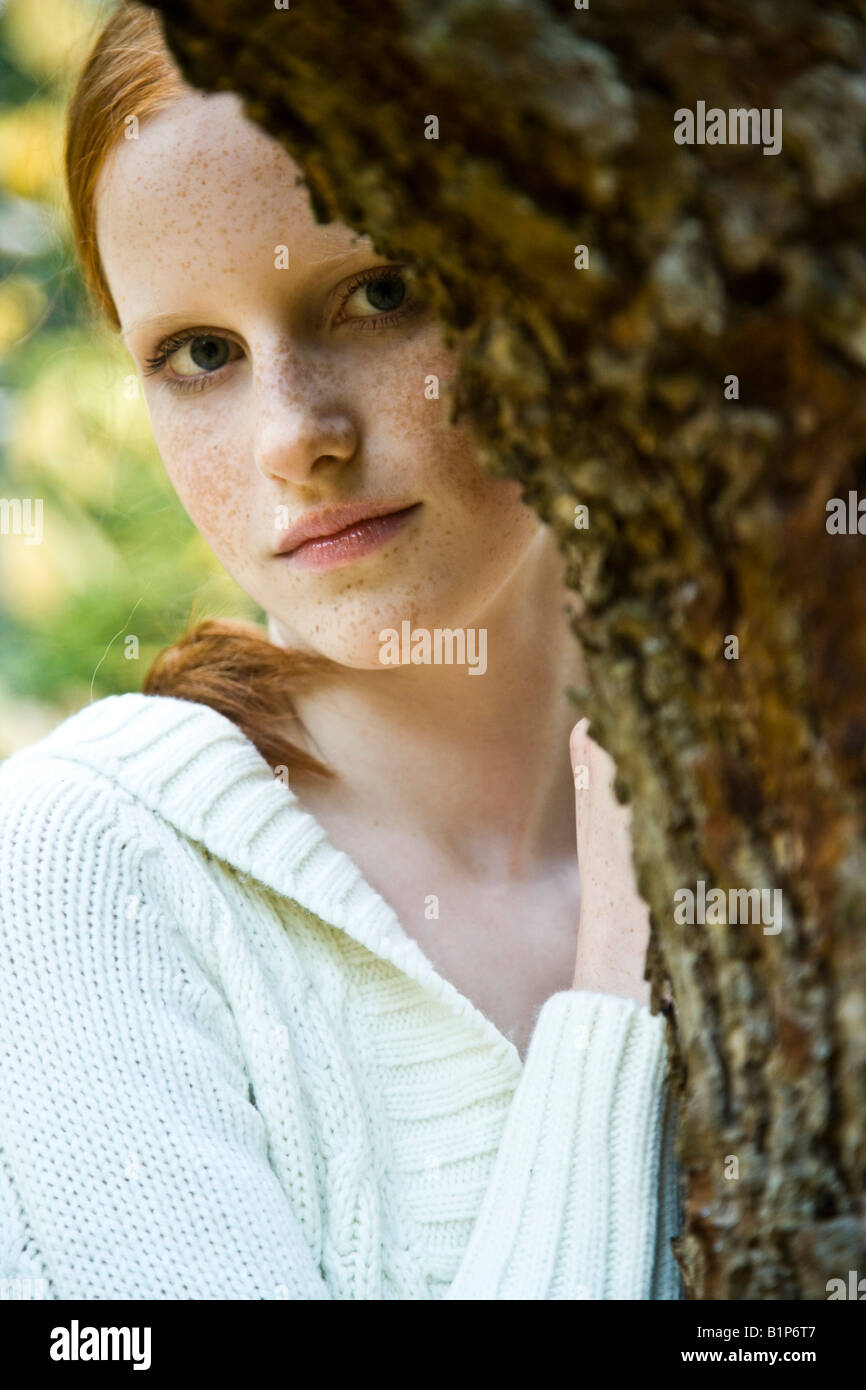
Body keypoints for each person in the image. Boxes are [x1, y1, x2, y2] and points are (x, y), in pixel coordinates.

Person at [0, 1, 682, 1300]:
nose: (290, 435)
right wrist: (614, 990)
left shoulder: (787, 806)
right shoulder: (78, 872)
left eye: (380, 292)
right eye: (198, 355)